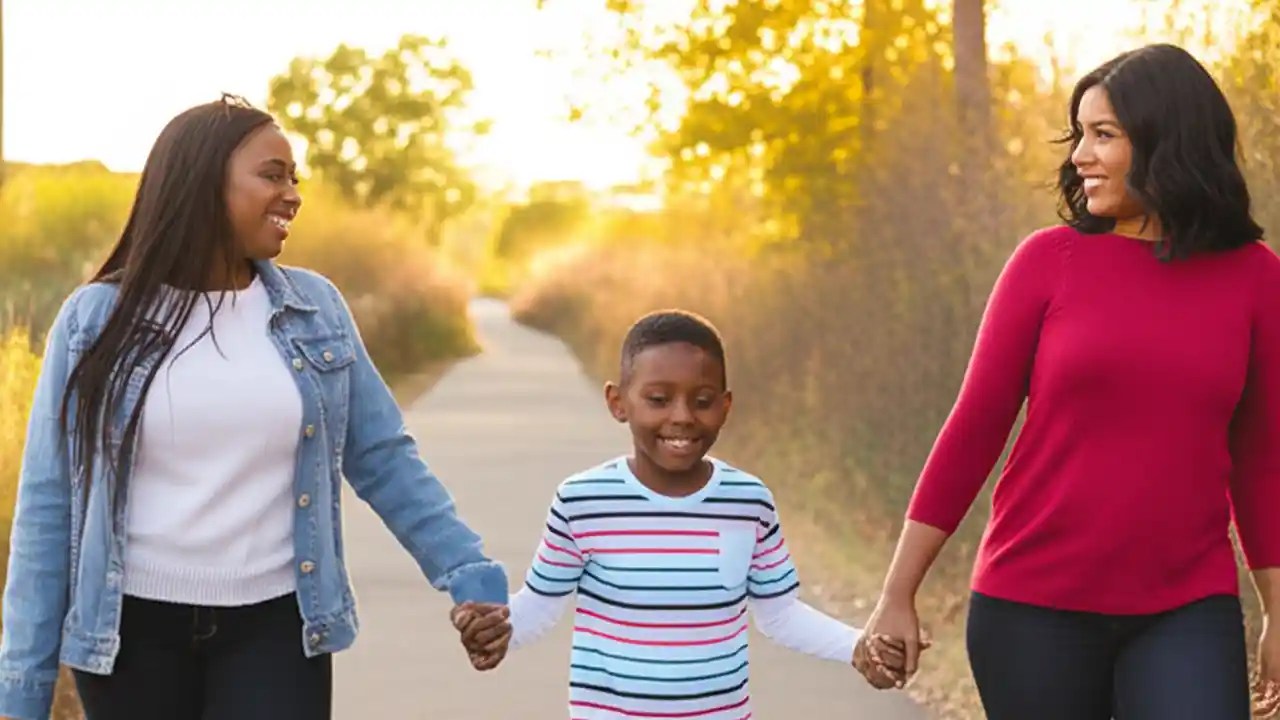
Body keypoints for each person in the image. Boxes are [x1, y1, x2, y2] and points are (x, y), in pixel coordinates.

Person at [0, 94, 509, 720]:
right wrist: (22, 693)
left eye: (294, 178)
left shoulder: (314, 309)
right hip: (130, 636)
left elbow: (383, 457)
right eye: (272, 175)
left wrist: (467, 571)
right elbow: (48, 505)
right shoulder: (97, 320)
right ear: (200, 183)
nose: (292, 194)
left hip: (276, 629)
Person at [855, 43, 1280, 719]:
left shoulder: (1256, 276)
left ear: (1169, 141)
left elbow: (1260, 460)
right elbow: (974, 428)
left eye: (1103, 135)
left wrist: (1275, 613)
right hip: (1032, 609)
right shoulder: (1046, 262)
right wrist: (897, 592)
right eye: (1080, 133)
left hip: (1187, 608)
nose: (1080, 154)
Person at [450, 310, 902, 718]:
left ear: (725, 407)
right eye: (659, 399)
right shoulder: (582, 501)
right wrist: (495, 628)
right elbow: (541, 606)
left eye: (702, 401)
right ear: (618, 403)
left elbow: (779, 614)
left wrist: (856, 646)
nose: (682, 416)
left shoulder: (748, 502)